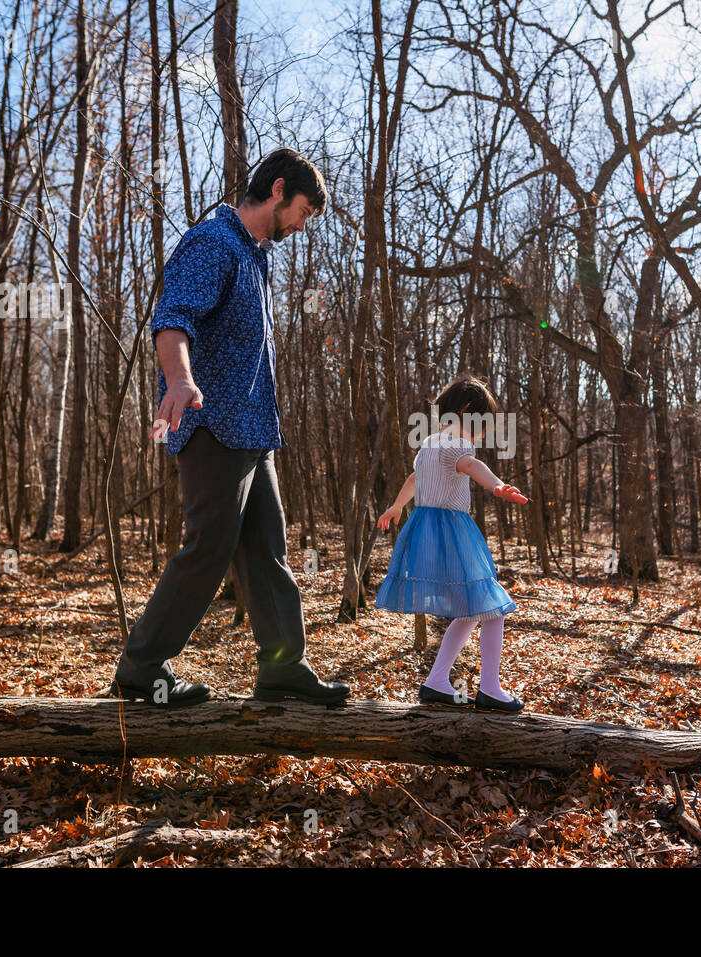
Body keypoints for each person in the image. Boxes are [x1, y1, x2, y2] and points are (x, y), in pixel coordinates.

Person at [109, 148, 350, 708]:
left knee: (267, 551)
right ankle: (141, 667)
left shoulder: (256, 256)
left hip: (253, 431)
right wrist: (179, 382)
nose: (303, 223)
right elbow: (172, 320)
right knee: (209, 546)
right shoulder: (213, 242)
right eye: (304, 211)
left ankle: (284, 669)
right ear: (278, 190)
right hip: (213, 422)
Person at [375, 374, 529, 713]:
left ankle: (437, 681)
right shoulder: (458, 444)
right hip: (452, 531)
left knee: (473, 609)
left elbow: (415, 478)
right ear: (463, 413)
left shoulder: (429, 443)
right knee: (491, 607)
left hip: (426, 531)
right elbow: (472, 466)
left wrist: (397, 506)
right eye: (483, 422)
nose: (485, 431)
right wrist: (498, 486)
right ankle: (490, 688)